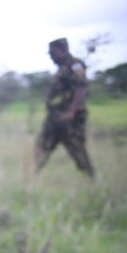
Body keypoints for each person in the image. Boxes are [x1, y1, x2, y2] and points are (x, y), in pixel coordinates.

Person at [34, 38, 95, 178]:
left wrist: (71, 111)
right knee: (42, 146)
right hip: (55, 117)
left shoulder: (75, 65)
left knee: (77, 149)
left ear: (63, 50)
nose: (51, 57)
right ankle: (31, 179)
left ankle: (91, 178)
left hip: (70, 119)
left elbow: (82, 87)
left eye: (52, 53)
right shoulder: (61, 69)